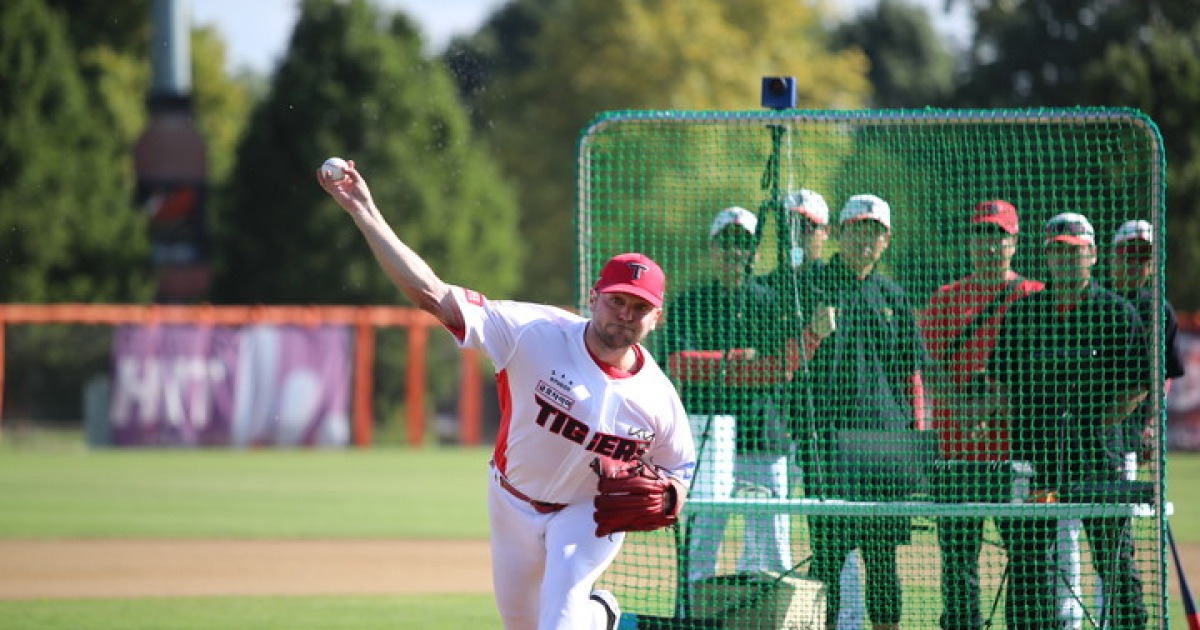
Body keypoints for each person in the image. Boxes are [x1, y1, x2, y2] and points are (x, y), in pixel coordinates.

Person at [317, 160, 697, 630]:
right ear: (594, 297)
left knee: (558, 624)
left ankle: (587, 614)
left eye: (639, 307)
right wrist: (364, 210)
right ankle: (603, 617)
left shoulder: (658, 398)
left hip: (588, 514)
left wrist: (672, 494)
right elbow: (432, 295)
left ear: (655, 319)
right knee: (522, 624)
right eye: (616, 300)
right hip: (511, 501)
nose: (624, 314)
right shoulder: (533, 332)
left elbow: (680, 464)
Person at [989, 212, 1149, 630]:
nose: (1065, 259)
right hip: (1036, 461)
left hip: (1099, 461)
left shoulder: (1116, 313)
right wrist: (1024, 426)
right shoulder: (1023, 313)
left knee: (1114, 559)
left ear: (1093, 255)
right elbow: (1002, 383)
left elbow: (1138, 385)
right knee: (1030, 560)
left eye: (1074, 252)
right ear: (1045, 256)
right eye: (1057, 251)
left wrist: (1093, 424)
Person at [802, 194, 929, 630]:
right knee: (829, 556)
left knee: (881, 558)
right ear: (838, 232)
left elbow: (912, 377)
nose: (865, 238)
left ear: (887, 239)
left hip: (884, 446)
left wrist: (915, 442)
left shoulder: (893, 295)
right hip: (828, 441)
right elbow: (786, 362)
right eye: (857, 228)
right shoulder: (812, 285)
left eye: (874, 230)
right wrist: (810, 331)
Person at [918, 200, 1044, 630]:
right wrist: (962, 409)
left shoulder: (1034, 297)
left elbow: (1037, 375)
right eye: (982, 234)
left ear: (1015, 242)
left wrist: (987, 407)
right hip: (956, 454)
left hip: (1017, 453)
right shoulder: (946, 298)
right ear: (970, 241)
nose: (990, 245)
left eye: (999, 235)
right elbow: (929, 369)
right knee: (957, 566)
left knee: (1026, 562)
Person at [660, 207, 794, 586]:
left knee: (772, 547)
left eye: (744, 244)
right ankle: (694, 621)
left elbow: (776, 370)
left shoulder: (772, 302)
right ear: (713, 248)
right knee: (701, 543)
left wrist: (714, 368)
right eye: (728, 243)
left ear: (754, 251)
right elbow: (678, 365)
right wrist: (738, 361)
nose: (736, 252)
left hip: (763, 435)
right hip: (706, 434)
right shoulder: (690, 302)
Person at [760, 189, 867, 630]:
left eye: (806, 226)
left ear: (824, 233)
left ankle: (846, 622)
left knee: (839, 538)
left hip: (831, 437)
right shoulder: (765, 287)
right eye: (789, 225)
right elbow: (765, 365)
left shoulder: (839, 285)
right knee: (775, 539)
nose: (797, 234)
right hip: (775, 435)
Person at [1104, 219, 1186, 476]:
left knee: (1121, 504)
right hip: (1083, 424)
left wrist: (1151, 421)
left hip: (1132, 428)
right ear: (1112, 256)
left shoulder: (1159, 311)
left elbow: (1164, 376)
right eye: (1128, 254)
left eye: (1143, 257)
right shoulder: (1093, 298)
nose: (1135, 263)